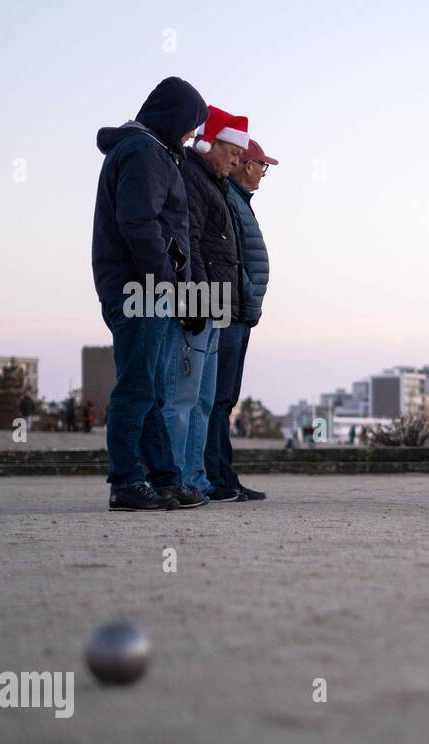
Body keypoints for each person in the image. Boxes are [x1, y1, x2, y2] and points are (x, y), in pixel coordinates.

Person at [91, 76, 209, 512]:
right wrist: (167, 288)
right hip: (138, 289)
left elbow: (163, 231)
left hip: (148, 288)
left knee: (153, 389)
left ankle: (163, 479)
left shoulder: (154, 152)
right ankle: (124, 481)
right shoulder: (143, 152)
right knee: (138, 387)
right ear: (175, 117)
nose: (193, 135)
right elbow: (140, 226)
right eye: (192, 125)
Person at [175, 105, 249, 504]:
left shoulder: (214, 182)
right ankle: (179, 477)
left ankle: (196, 478)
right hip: (204, 303)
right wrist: (199, 299)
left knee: (204, 400)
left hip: (217, 304)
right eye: (233, 153)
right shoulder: (194, 177)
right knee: (187, 399)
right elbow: (193, 245)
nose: (236, 161)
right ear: (210, 144)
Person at [210, 139, 278, 502]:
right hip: (232, 310)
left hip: (240, 310)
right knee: (219, 399)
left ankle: (225, 477)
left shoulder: (238, 200)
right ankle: (218, 480)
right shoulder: (229, 199)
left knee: (225, 400)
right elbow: (232, 258)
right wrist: (248, 292)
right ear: (244, 164)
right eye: (260, 166)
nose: (262, 174)